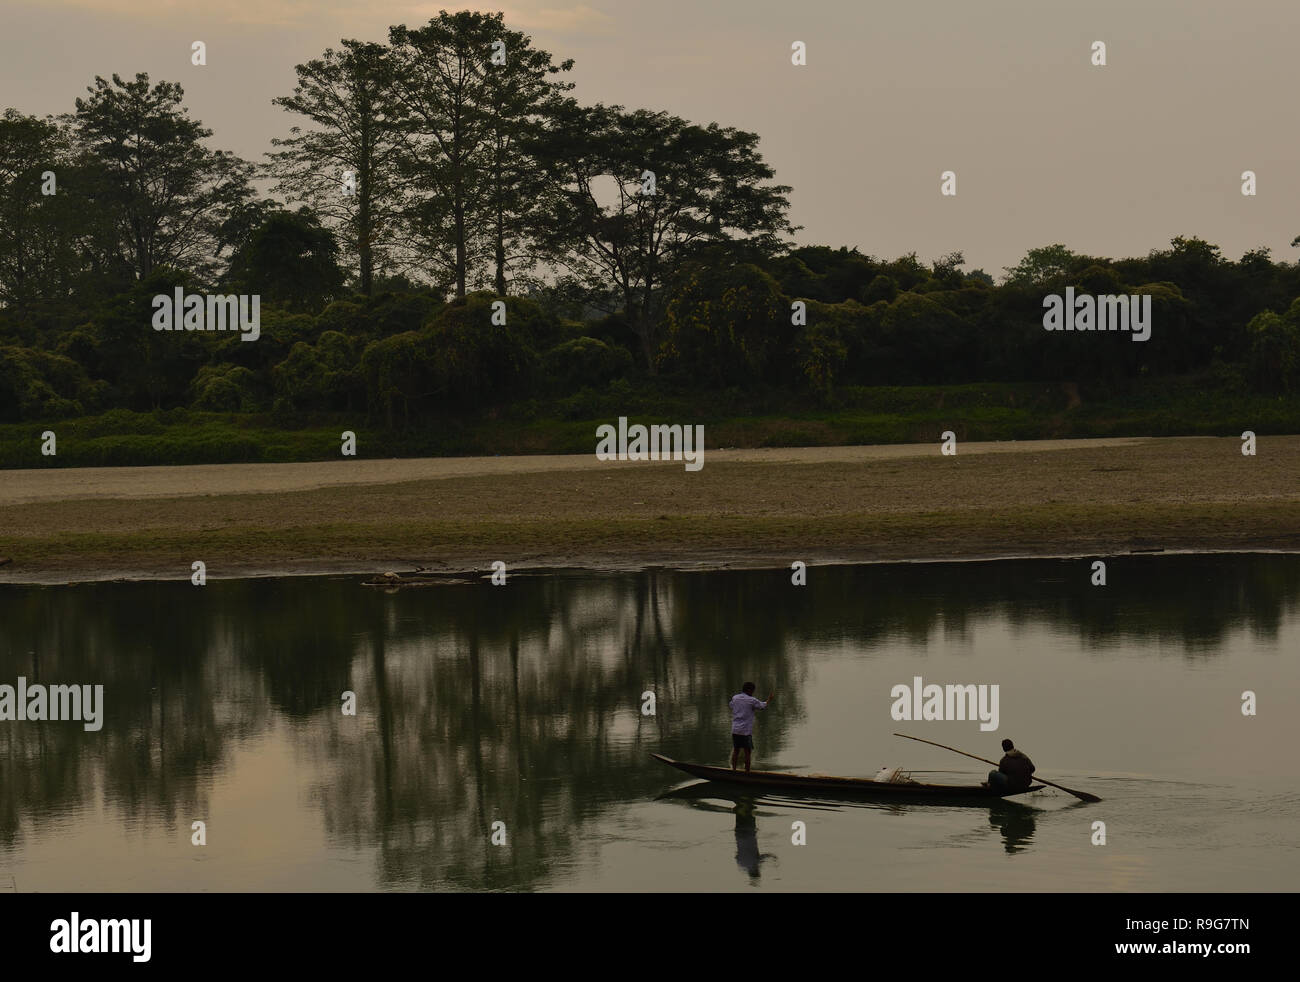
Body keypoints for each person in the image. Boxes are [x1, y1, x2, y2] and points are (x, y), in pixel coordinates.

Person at [729, 682, 774, 772]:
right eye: (753, 690)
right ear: (749, 690)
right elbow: (762, 706)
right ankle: (747, 773)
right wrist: (769, 699)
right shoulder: (752, 700)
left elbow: (731, 705)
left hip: (735, 729)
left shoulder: (735, 697)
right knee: (747, 752)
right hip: (745, 731)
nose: (753, 692)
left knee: (736, 750)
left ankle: (733, 771)